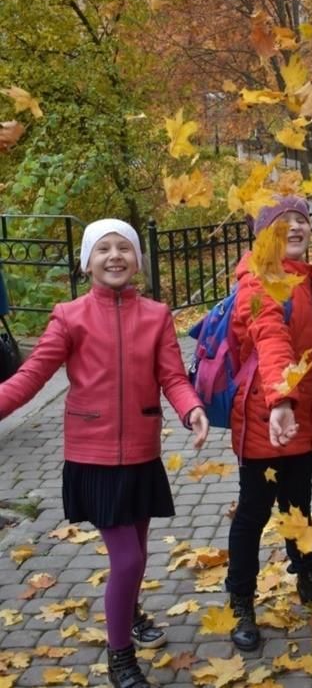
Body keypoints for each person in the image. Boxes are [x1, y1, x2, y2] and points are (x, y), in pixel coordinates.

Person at [0, 219, 209, 688]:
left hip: (142, 453)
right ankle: (121, 658)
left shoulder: (156, 315)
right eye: (103, 249)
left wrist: (192, 408)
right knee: (129, 560)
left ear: (137, 260)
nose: (114, 256)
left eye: (124, 248)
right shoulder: (69, 316)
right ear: (87, 262)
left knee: (138, 549)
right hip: (92, 458)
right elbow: (32, 377)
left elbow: (173, 377)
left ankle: (130, 612)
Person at [225, 195, 312, 652]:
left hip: (303, 420)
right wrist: (282, 400)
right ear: (265, 235)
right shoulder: (259, 281)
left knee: (298, 507)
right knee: (253, 513)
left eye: (301, 220)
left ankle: (309, 579)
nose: (296, 228)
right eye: (284, 223)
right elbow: (271, 339)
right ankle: (241, 599)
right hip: (268, 419)